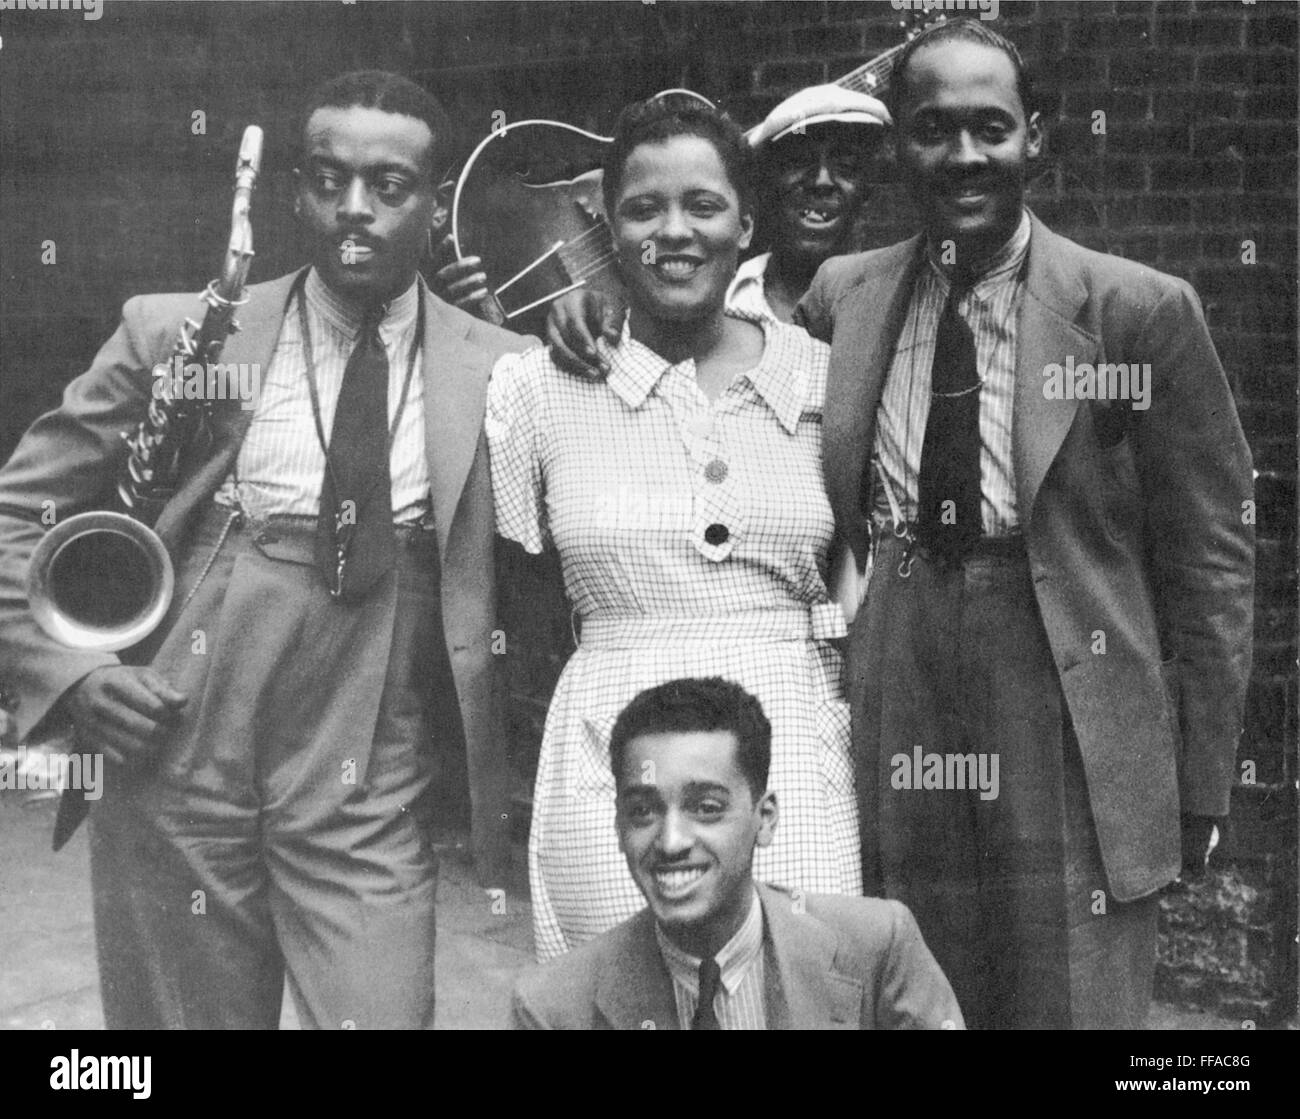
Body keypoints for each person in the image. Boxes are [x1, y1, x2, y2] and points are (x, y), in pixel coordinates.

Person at [0, 70, 531, 1028]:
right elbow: (15, 514)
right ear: (295, 190)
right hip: (178, 742)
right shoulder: (182, 333)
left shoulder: (500, 366)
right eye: (328, 180)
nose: (353, 210)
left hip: (367, 774)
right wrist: (72, 673)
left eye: (389, 185)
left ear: (437, 202)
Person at [797, 20, 1255, 1028]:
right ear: (897, 145)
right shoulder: (843, 298)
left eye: (989, 127)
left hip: (1061, 676)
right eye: (932, 129)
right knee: (909, 975)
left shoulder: (1136, 312)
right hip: (899, 662)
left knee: (1067, 986)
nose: (962, 155)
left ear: (1034, 137)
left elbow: (1210, 559)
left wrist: (1202, 776)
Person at [487, 96, 862, 963]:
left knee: (800, 992)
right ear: (608, 229)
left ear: (747, 220)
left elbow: (861, 570)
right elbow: (522, 602)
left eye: (703, 204)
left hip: (792, 746)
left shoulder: (825, 379)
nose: (674, 232)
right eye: (643, 208)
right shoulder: (537, 388)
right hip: (609, 749)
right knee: (622, 998)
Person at [510, 677, 962, 1030]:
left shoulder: (876, 946)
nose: (670, 842)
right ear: (618, 827)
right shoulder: (553, 1006)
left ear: (764, 819)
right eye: (642, 812)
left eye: (706, 808)